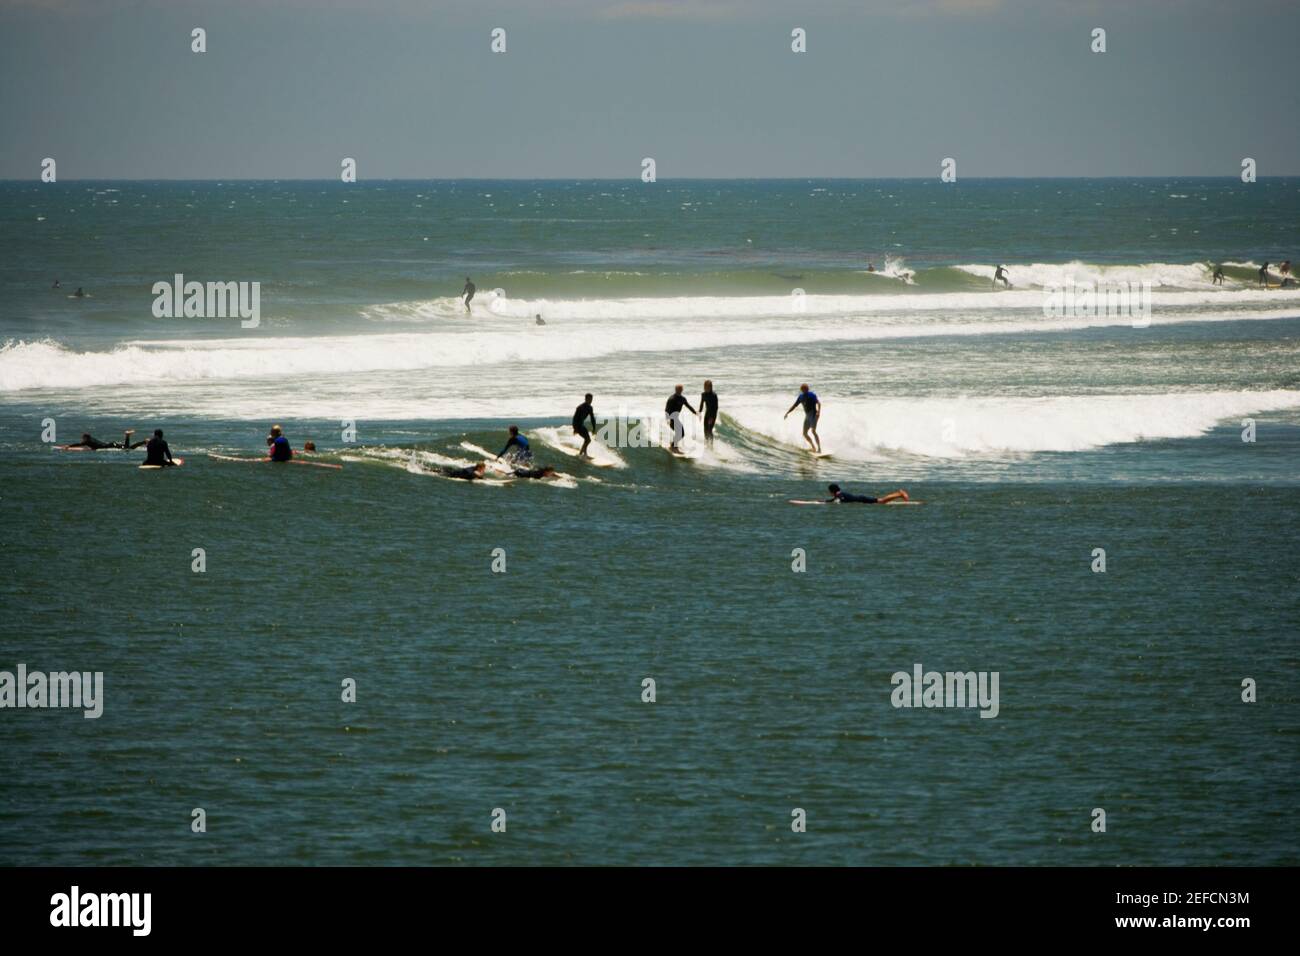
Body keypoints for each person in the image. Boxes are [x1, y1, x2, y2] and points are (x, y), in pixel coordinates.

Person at [784, 383, 821, 453]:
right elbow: (794, 406)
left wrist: (818, 412)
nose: (805, 390)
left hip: (814, 415)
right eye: (804, 389)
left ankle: (819, 448)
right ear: (801, 390)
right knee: (804, 434)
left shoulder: (812, 395)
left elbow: (818, 403)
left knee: (813, 431)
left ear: (808, 389)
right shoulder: (801, 397)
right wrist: (787, 412)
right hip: (807, 416)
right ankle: (813, 447)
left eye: (806, 389)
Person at [664, 385, 698, 452]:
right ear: (675, 389)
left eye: (680, 389)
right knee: (680, 433)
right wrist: (668, 419)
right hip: (672, 418)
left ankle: (673, 445)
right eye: (678, 389)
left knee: (681, 433)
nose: (679, 390)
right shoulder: (672, 398)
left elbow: (688, 406)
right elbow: (666, 409)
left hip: (676, 418)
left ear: (682, 390)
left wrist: (695, 412)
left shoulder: (682, 399)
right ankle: (673, 446)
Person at [825, 483, 908, 504]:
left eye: (830, 491)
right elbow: (834, 499)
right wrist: (825, 501)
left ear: (833, 491)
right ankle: (898, 494)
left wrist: (829, 502)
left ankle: (900, 494)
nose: (829, 493)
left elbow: (840, 499)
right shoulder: (838, 494)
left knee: (882, 501)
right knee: (882, 501)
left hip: (862, 499)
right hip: (861, 498)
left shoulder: (839, 495)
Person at [699, 380, 719, 445]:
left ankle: (711, 444)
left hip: (712, 415)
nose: (705, 388)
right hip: (707, 414)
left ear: (710, 387)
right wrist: (699, 412)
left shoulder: (714, 395)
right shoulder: (703, 394)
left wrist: (711, 418)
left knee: (709, 430)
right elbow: (701, 404)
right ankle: (706, 442)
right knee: (705, 429)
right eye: (705, 386)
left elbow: (716, 407)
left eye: (707, 387)